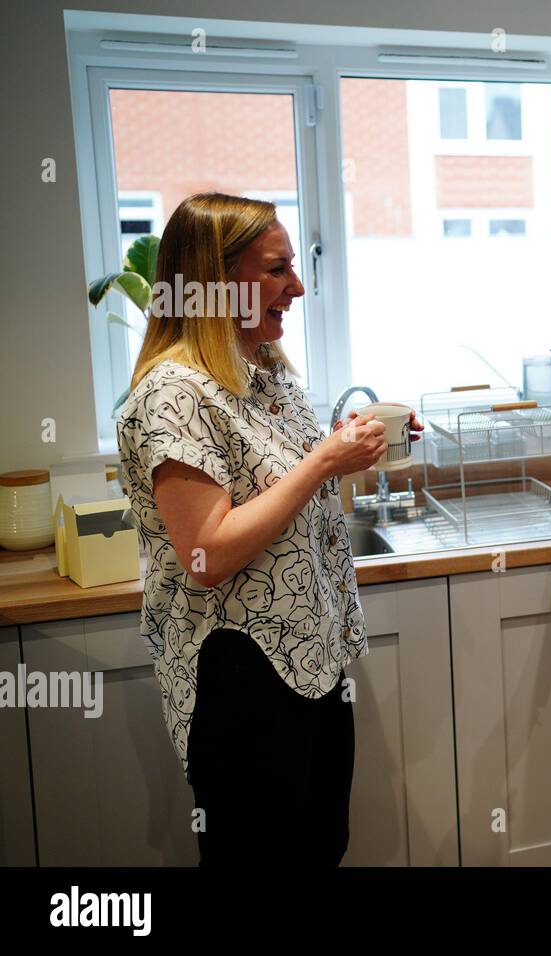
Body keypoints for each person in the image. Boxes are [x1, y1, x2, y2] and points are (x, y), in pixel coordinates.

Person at [116, 192, 421, 866]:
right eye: (278, 268)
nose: (299, 286)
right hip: (239, 674)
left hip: (310, 660)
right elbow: (207, 552)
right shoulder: (176, 394)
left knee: (318, 848)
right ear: (216, 282)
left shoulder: (267, 372)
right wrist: (322, 462)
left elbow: (280, 492)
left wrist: (352, 448)